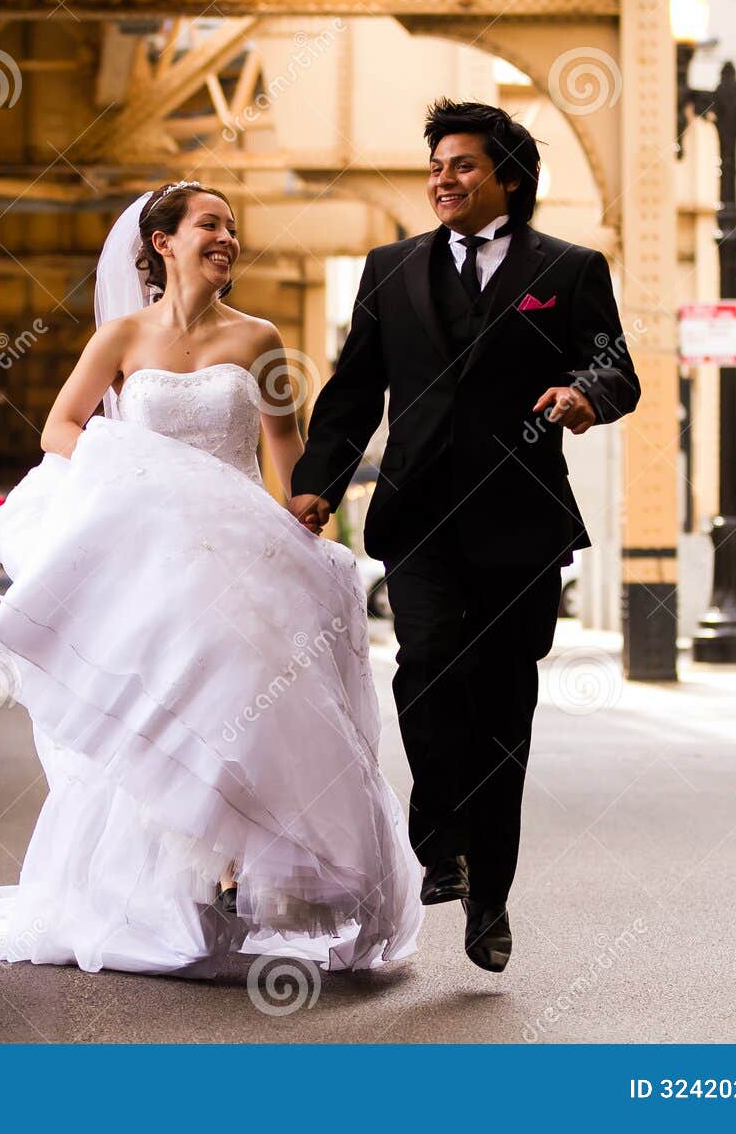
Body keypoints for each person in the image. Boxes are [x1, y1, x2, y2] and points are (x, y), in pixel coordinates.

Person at [0, 181, 424, 976]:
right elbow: (61, 425)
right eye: (211, 224)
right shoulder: (122, 339)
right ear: (162, 243)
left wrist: (314, 522)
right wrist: (135, 472)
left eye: (233, 228)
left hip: (243, 558)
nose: (227, 238)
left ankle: (238, 872)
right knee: (170, 702)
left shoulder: (261, 339)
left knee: (249, 702)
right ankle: (184, 877)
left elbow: (288, 450)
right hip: (153, 562)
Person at [288, 99, 642, 972]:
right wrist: (315, 488)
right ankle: (439, 835)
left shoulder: (569, 266)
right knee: (429, 659)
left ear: (509, 177)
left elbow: (616, 367)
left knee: (503, 710)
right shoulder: (389, 269)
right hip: (418, 515)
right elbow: (351, 394)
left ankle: (491, 897)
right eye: (436, 165)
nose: (443, 179)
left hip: (522, 522)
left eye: (463, 166)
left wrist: (581, 396)